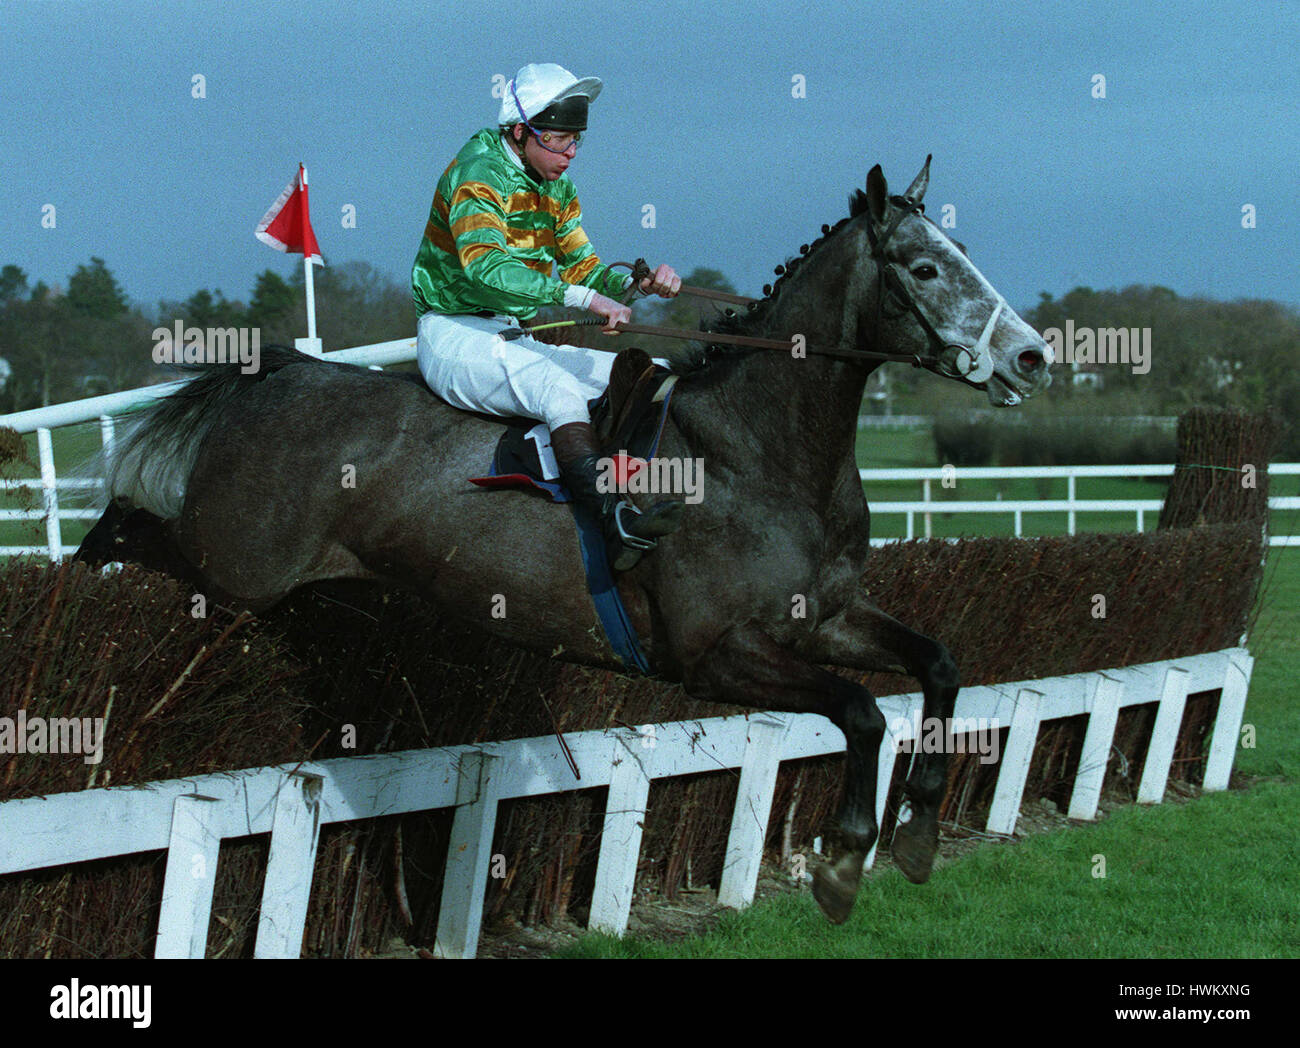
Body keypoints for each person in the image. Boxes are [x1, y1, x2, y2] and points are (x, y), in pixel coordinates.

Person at [412, 62, 683, 569]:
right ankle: (613, 519)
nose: (571, 154)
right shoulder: (477, 175)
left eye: (577, 140)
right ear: (520, 132)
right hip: (451, 333)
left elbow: (585, 267)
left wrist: (635, 285)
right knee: (558, 389)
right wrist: (581, 299)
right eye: (559, 141)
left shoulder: (557, 187)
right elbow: (484, 267)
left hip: (512, 335)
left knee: (653, 374)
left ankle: (625, 480)